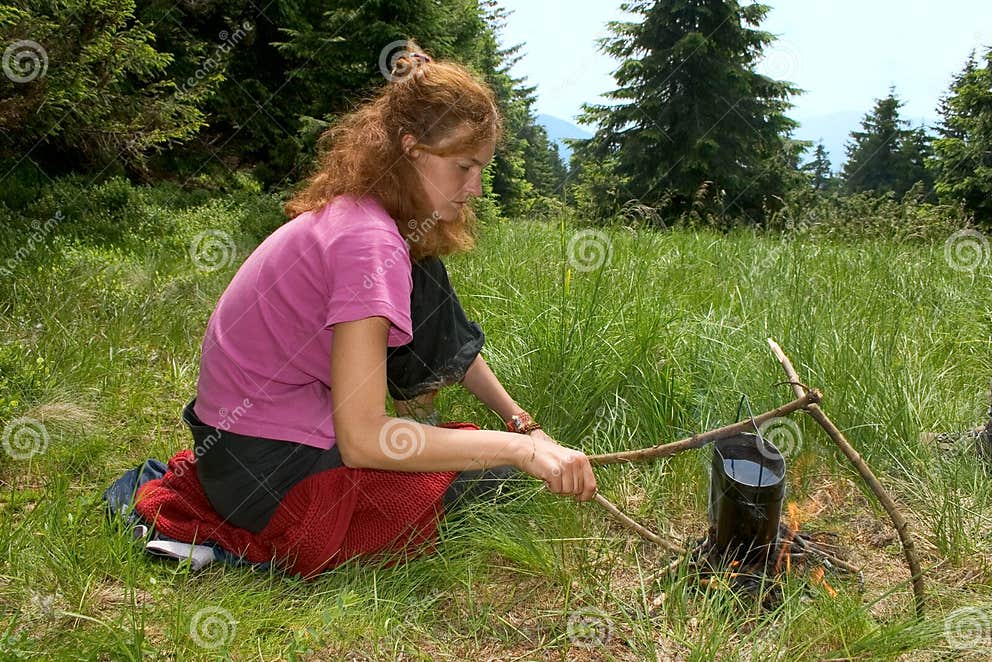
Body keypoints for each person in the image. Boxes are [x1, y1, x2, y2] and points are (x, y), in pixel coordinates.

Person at [133, 44, 596, 575]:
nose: (475, 188)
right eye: (464, 166)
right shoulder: (368, 244)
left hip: (241, 448)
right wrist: (520, 453)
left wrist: (521, 426)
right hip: (266, 478)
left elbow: (444, 339)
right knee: (491, 480)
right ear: (412, 149)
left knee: (477, 451)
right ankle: (246, 540)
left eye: (481, 169)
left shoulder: (372, 219)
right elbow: (362, 439)